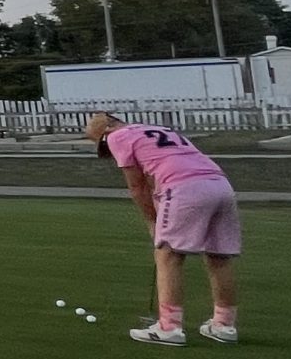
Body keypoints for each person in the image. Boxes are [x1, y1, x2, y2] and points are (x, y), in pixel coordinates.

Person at [85, 112, 241, 345]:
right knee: (219, 256)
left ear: (107, 131)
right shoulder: (156, 131)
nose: (109, 152)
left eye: (103, 145)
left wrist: (151, 221)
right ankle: (224, 325)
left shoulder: (117, 136)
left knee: (167, 254)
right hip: (220, 185)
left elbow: (137, 187)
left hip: (184, 187)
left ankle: (169, 328)